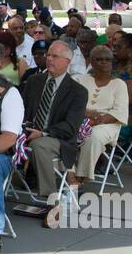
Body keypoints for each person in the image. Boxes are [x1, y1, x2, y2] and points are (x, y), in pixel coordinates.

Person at [19, 42, 89, 227]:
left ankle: (52, 202)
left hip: (58, 139)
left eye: (54, 56)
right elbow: (22, 109)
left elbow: (70, 127)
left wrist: (43, 132)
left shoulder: (78, 91)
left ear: (67, 61)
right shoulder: (34, 81)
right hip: (26, 132)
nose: (48, 58)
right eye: (48, 55)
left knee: (39, 144)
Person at [73, 46, 128, 185]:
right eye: (99, 59)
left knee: (92, 136)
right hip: (80, 118)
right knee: (61, 133)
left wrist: (97, 121)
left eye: (107, 59)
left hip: (108, 124)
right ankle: (68, 172)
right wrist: (86, 115)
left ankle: (80, 178)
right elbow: (73, 104)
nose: (104, 62)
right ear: (91, 61)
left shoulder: (119, 84)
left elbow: (119, 112)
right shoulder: (82, 80)